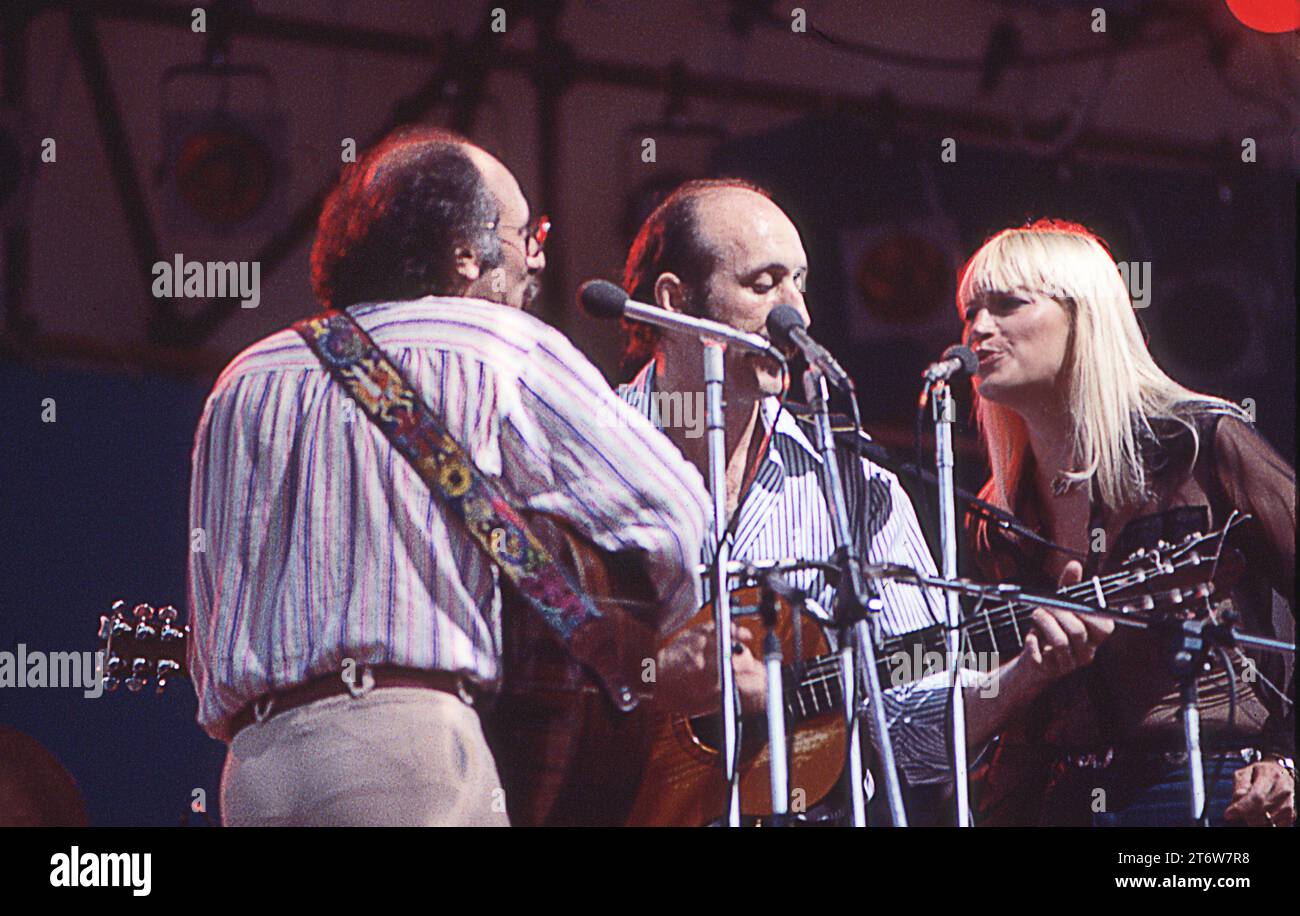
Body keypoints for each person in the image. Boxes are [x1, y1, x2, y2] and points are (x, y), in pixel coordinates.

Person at [186, 127, 709, 826]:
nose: (539, 255)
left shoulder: (241, 379)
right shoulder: (493, 344)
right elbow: (673, 513)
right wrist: (668, 651)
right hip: (407, 757)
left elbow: (208, 628)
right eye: (528, 232)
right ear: (466, 255)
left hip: (255, 772)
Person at [615, 180, 1109, 823]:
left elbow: (913, 731)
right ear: (674, 302)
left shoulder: (856, 485)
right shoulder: (583, 450)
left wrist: (1023, 675)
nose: (798, 313)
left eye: (800, 282)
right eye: (764, 285)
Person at [959, 219, 1295, 826]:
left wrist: (1288, 759)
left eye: (1008, 304)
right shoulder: (999, 514)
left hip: (1205, 788)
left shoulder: (1199, 444)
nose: (979, 329)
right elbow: (1025, 722)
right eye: (970, 312)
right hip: (1064, 803)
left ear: (1082, 316)